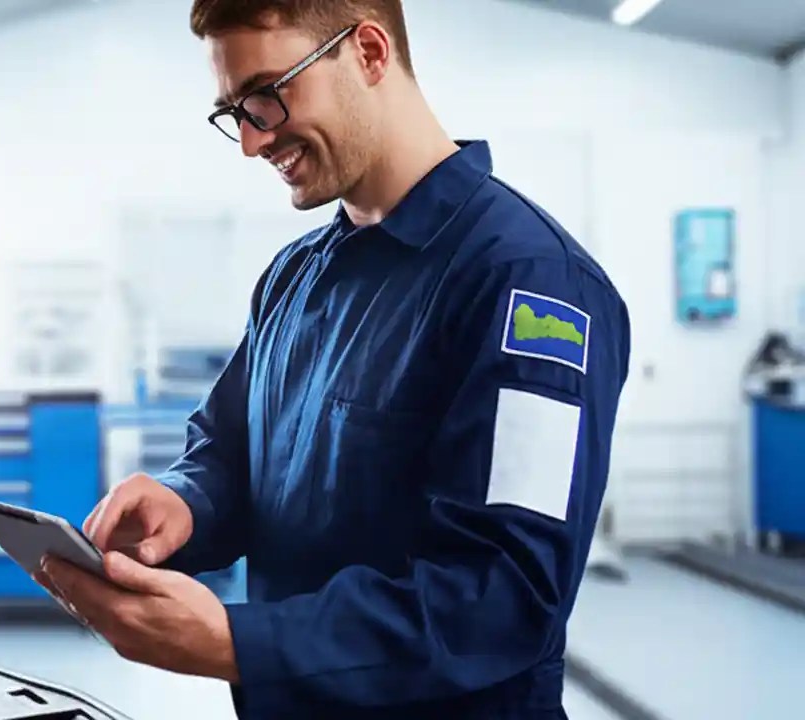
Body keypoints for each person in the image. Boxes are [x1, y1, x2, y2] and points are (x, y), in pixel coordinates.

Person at [36, 1, 632, 717]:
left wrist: (237, 643)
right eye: (235, 112)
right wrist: (186, 503)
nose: (252, 144)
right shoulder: (294, 278)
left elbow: (501, 597)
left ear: (371, 54)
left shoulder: (529, 284)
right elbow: (232, 454)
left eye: (266, 97)